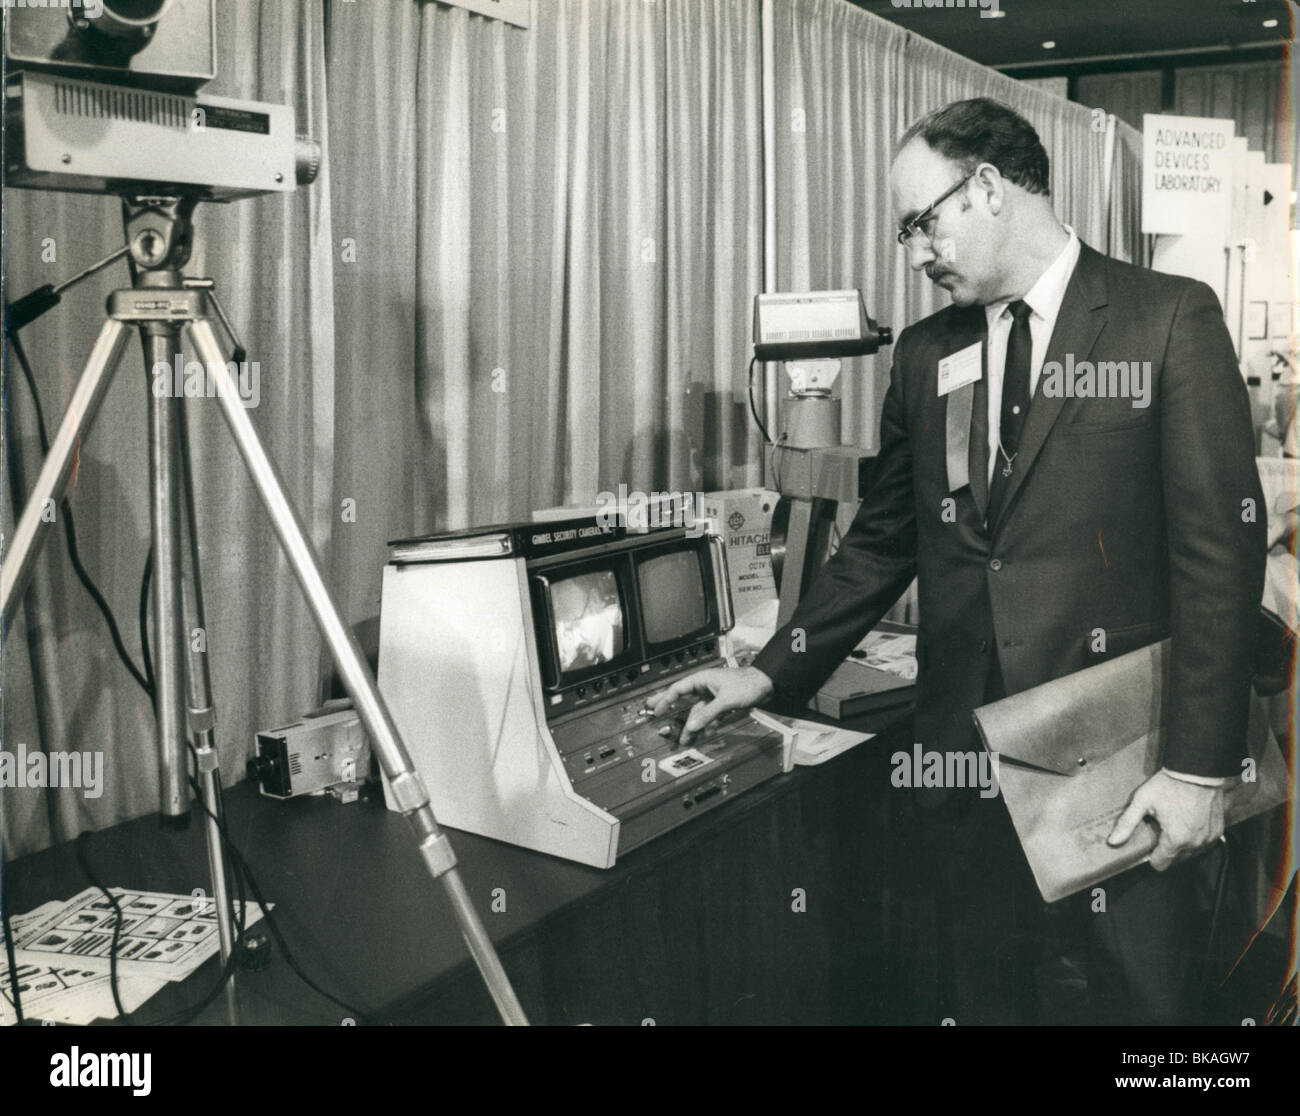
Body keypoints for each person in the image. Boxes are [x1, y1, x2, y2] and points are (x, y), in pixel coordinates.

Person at [652, 98, 1267, 1024]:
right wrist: (769, 672)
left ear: (985, 186)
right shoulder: (926, 353)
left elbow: (1223, 554)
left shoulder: (1167, 319)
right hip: (966, 771)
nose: (913, 255)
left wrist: (1200, 770)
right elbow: (885, 539)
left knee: (1149, 1023)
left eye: (919, 223)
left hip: (1123, 768)